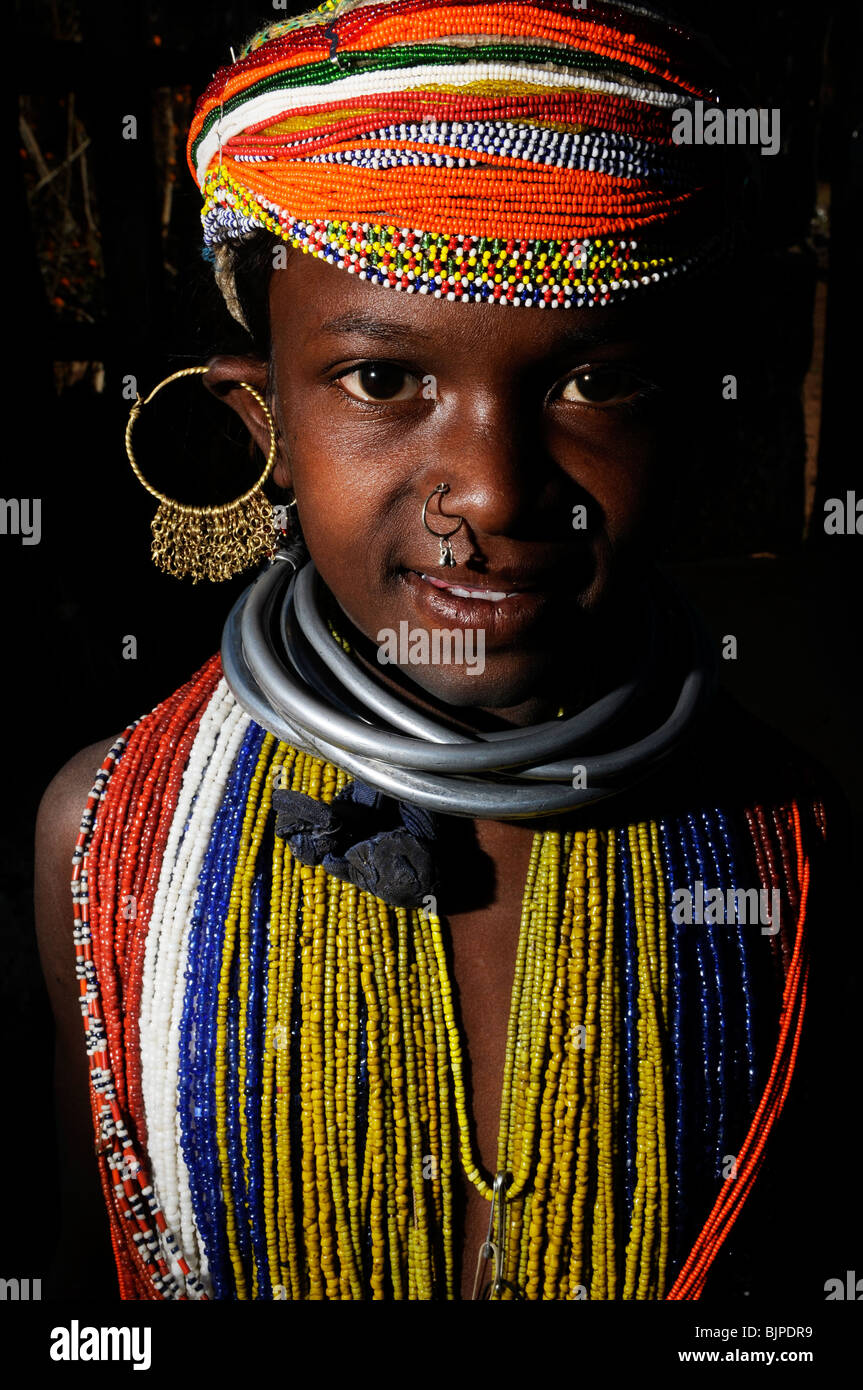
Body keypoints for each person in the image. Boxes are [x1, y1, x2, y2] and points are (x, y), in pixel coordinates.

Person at [35, 0, 837, 1302]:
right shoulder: (109, 830)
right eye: (381, 382)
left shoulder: (791, 852)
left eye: (595, 382)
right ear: (262, 419)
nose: (492, 487)